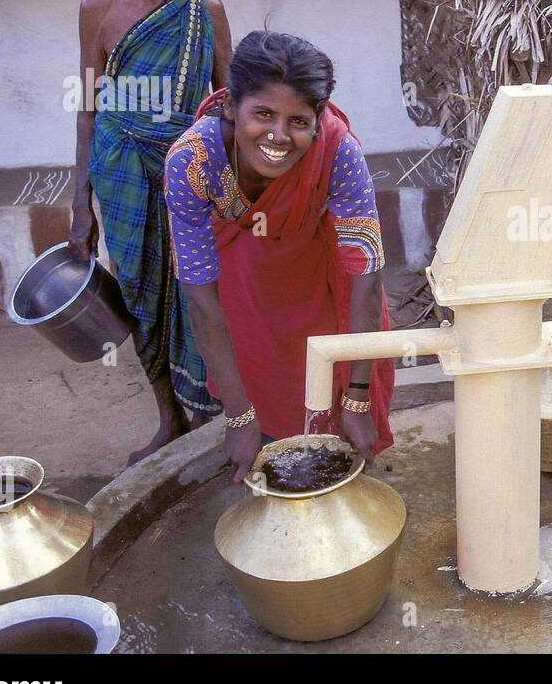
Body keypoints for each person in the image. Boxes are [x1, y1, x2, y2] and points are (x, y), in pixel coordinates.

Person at [163, 31, 396, 483]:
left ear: (318, 118)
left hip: (318, 271)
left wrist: (358, 399)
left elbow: (366, 271)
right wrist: (236, 416)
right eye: (264, 114)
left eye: (298, 121)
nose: (278, 136)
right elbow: (200, 297)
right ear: (231, 105)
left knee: (328, 372)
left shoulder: (338, 150)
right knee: (263, 370)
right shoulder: (191, 162)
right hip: (244, 277)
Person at [69, 0, 233, 463]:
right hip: (117, 169)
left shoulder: (205, 11)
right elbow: (88, 108)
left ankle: (222, 412)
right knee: (138, 288)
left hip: (186, 171)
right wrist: (78, 207)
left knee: (201, 288)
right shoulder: (98, 8)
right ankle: (171, 416)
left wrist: (236, 187)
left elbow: (228, 105)